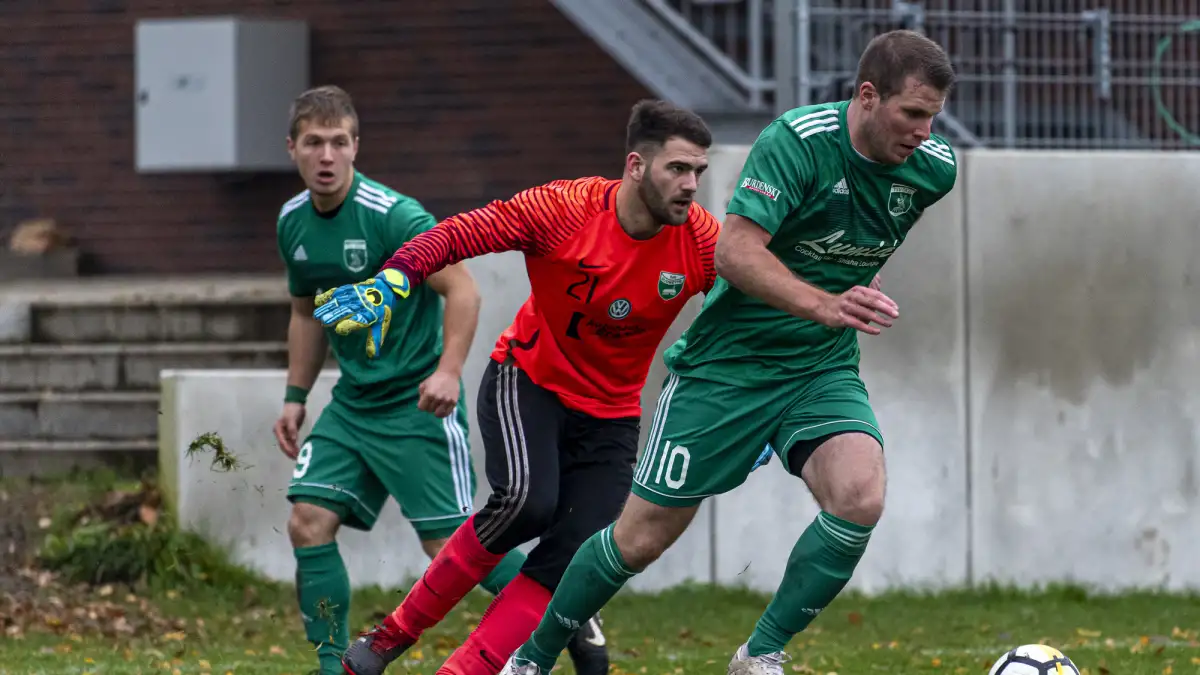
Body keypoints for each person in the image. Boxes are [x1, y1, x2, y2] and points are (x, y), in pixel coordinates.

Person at [503, 28, 960, 675]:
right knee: (638, 539)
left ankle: (760, 652)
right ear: (866, 96)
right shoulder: (797, 144)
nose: (923, 131)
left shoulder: (933, 170)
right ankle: (531, 656)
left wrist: (852, 283)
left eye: (932, 118)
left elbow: (862, 232)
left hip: (818, 366)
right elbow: (735, 251)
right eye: (911, 113)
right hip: (726, 369)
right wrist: (825, 301)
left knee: (860, 496)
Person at [311, 99, 721, 675]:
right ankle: (388, 638)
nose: (691, 185)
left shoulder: (700, 240)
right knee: (527, 506)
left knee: (574, 557)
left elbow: (754, 289)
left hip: (612, 414)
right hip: (528, 381)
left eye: (698, 172)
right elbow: (457, 234)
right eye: (678, 169)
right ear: (635, 165)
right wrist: (395, 279)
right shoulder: (563, 209)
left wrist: (828, 288)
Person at [272, 84, 596, 675]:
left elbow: (463, 291)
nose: (326, 156)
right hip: (351, 404)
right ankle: (331, 665)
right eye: (313, 143)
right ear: (291, 147)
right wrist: (295, 397)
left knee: (448, 549)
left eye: (338, 142)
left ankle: (567, 613)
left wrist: (448, 372)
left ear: (355, 147)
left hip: (414, 402)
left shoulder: (395, 216)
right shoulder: (292, 223)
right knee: (307, 520)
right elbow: (305, 312)